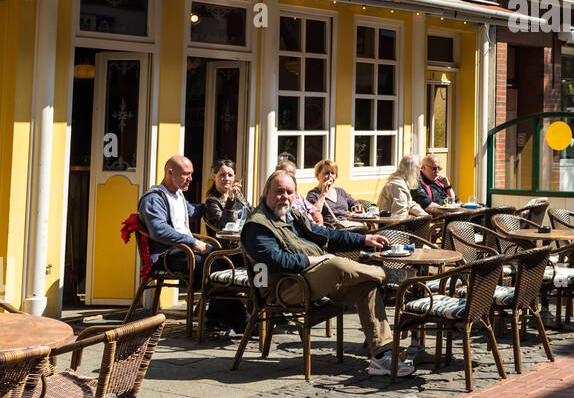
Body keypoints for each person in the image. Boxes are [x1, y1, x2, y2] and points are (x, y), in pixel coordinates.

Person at [241, 170, 414, 378]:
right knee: (336, 264)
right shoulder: (257, 225)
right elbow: (275, 261)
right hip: (285, 288)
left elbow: (326, 234)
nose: (284, 196)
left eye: (289, 192)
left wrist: (364, 240)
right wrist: (316, 260)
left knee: (365, 287)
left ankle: (382, 356)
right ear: (266, 192)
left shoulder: (293, 216)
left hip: (313, 279)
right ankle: (389, 277)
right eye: (279, 191)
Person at [137, 155, 246, 335]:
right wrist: (194, 242)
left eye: (191, 174)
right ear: (170, 173)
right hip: (166, 256)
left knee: (235, 258)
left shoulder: (178, 195)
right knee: (211, 265)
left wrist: (216, 202)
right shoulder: (154, 198)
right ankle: (242, 321)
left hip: (184, 251)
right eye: (186, 174)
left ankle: (217, 316)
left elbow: (193, 211)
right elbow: (159, 231)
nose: (190, 179)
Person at [306, 159, 364, 230]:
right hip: (333, 229)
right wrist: (323, 193)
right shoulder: (313, 194)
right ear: (317, 175)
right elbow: (313, 214)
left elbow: (355, 205)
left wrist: (361, 212)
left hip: (349, 226)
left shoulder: (340, 191)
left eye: (333, 173)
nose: (330, 176)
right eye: (326, 173)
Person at [203, 159, 252, 235]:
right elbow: (224, 227)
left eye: (230, 175)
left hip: (244, 240)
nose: (227, 179)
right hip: (226, 244)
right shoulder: (211, 202)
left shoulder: (238, 195)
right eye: (222, 175)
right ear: (214, 176)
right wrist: (230, 201)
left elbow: (251, 212)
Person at [275, 155, 325, 224]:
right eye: (286, 173)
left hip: (313, 227)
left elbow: (314, 210)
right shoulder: (277, 196)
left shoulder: (297, 195)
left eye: (292, 174)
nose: (289, 176)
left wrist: (318, 217)